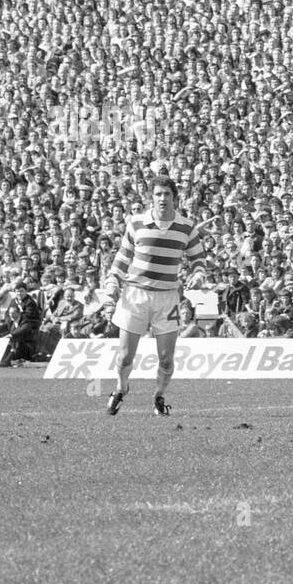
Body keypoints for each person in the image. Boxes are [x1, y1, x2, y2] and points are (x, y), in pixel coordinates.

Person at [102, 176, 206, 416]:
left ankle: (159, 396)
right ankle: (121, 388)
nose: (162, 199)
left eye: (166, 194)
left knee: (166, 358)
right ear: (151, 197)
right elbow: (122, 257)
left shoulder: (186, 227)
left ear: (174, 198)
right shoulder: (136, 222)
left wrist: (198, 274)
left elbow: (198, 259)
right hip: (135, 295)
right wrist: (112, 281)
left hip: (167, 297)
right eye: (158, 194)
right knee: (126, 355)